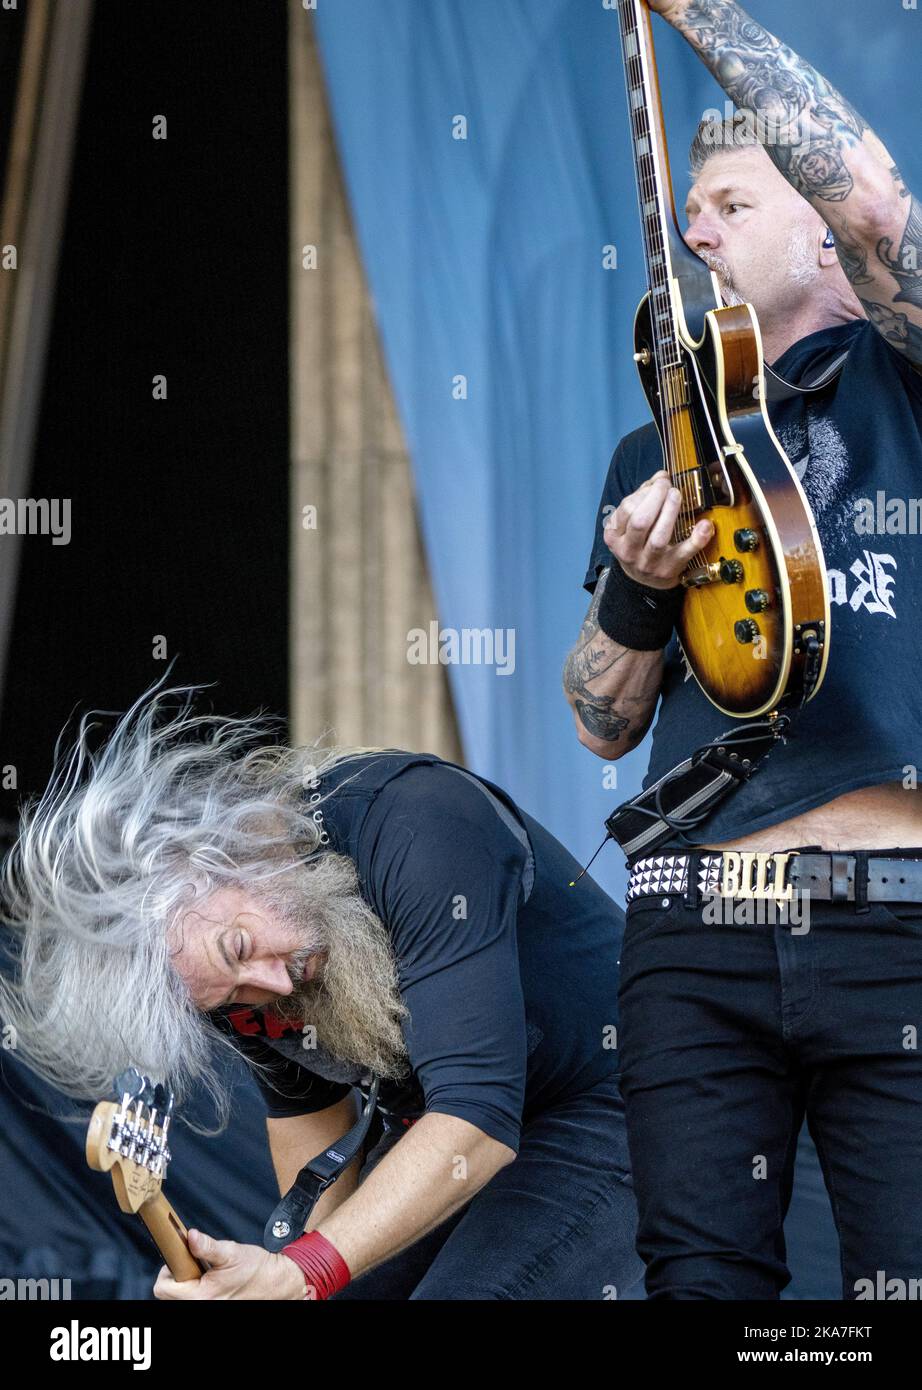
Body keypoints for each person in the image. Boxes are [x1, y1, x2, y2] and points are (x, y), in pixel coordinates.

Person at [563, 0, 922, 1299]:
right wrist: (638, 596)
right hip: (692, 927)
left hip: (895, 924)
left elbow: (881, 207)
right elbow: (600, 717)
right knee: (697, 1279)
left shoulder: (903, 374)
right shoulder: (652, 443)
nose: (693, 231)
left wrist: (694, 11)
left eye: (728, 201)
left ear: (818, 233)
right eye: (688, 209)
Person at [0, 687, 643, 1301]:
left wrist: (301, 1273)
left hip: (613, 1099)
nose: (272, 987)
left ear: (232, 849)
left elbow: (475, 1118)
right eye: (231, 999)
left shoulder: (421, 824)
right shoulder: (220, 968)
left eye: (241, 950)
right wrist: (294, 1281)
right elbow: (308, 1112)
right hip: (452, 1132)